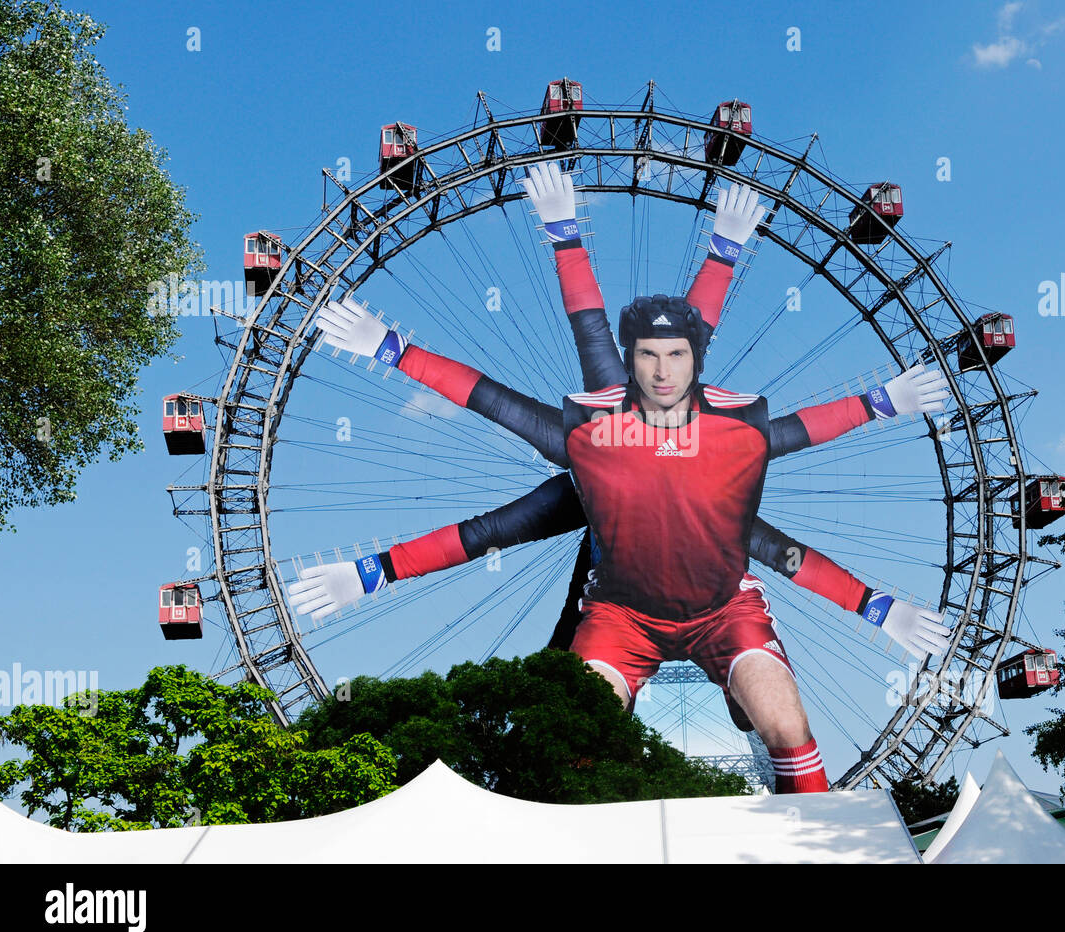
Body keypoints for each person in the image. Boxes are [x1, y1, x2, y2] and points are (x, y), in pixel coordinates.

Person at [288, 165, 953, 793]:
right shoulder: (589, 435)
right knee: (576, 740)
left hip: (724, 609)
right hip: (620, 615)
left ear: (696, 366)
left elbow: (799, 444)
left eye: (677, 359)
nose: (663, 371)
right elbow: (489, 406)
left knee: (789, 729)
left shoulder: (734, 432)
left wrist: (883, 406)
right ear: (634, 369)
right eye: (648, 360)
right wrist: (390, 350)